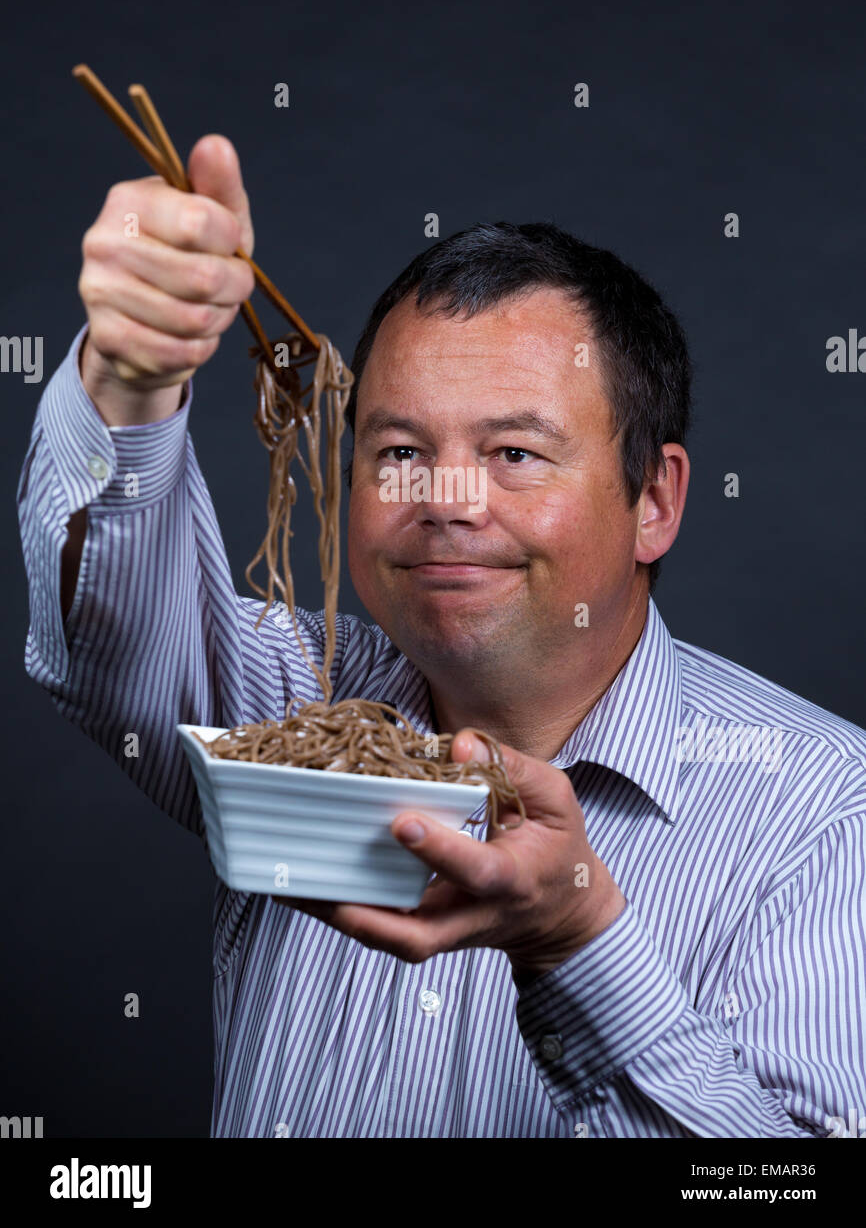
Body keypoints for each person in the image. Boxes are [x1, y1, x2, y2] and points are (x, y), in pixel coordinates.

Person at [17, 136, 866, 1139]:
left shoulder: (821, 810)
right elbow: (111, 629)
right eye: (399, 451)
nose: (444, 501)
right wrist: (131, 372)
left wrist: (576, 938)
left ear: (654, 500)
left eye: (513, 452)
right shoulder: (299, 708)